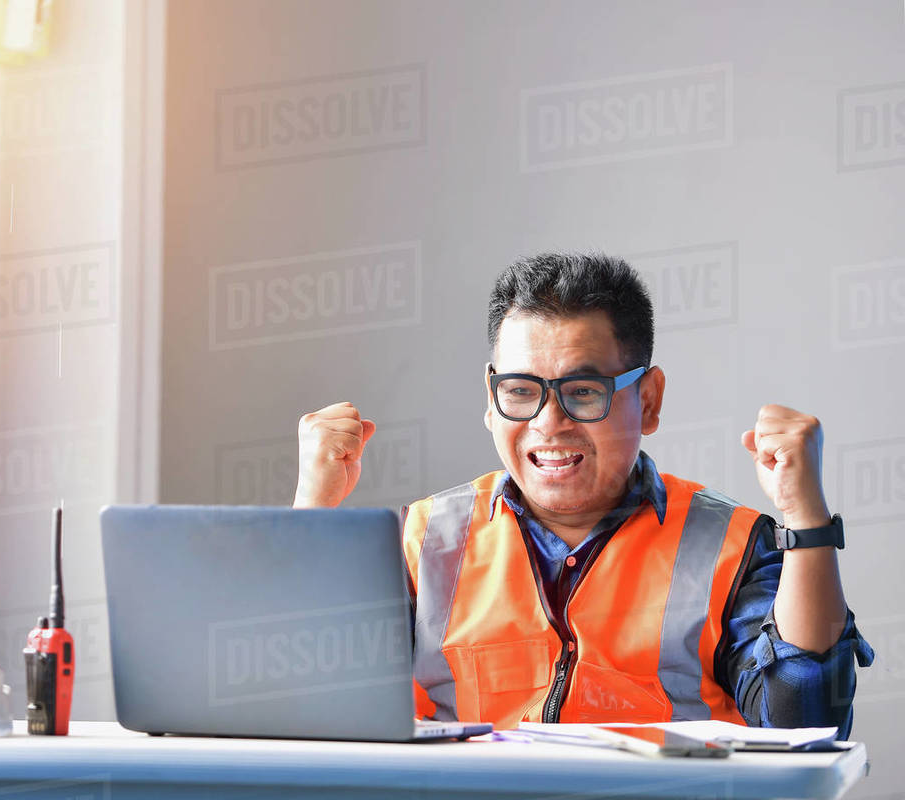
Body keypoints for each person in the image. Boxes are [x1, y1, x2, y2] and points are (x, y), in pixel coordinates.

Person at [292, 253, 873, 736]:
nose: (549, 422)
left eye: (584, 391)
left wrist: (805, 522)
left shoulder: (733, 545)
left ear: (647, 400)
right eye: (520, 391)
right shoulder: (422, 541)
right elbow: (303, 699)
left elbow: (804, 718)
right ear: (491, 399)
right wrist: (311, 515)